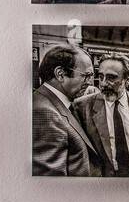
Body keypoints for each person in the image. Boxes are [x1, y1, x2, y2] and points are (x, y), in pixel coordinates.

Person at [72, 55, 129, 177]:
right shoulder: (82, 106)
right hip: (103, 176)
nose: (103, 83)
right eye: (100, 76)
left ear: (127, 78)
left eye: (111, 78)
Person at [32, 45, 101, 177]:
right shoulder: (45, 113)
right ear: (60, 74)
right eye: (86, 76)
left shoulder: (56, 103)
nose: (90, 82)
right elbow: (52, 184)